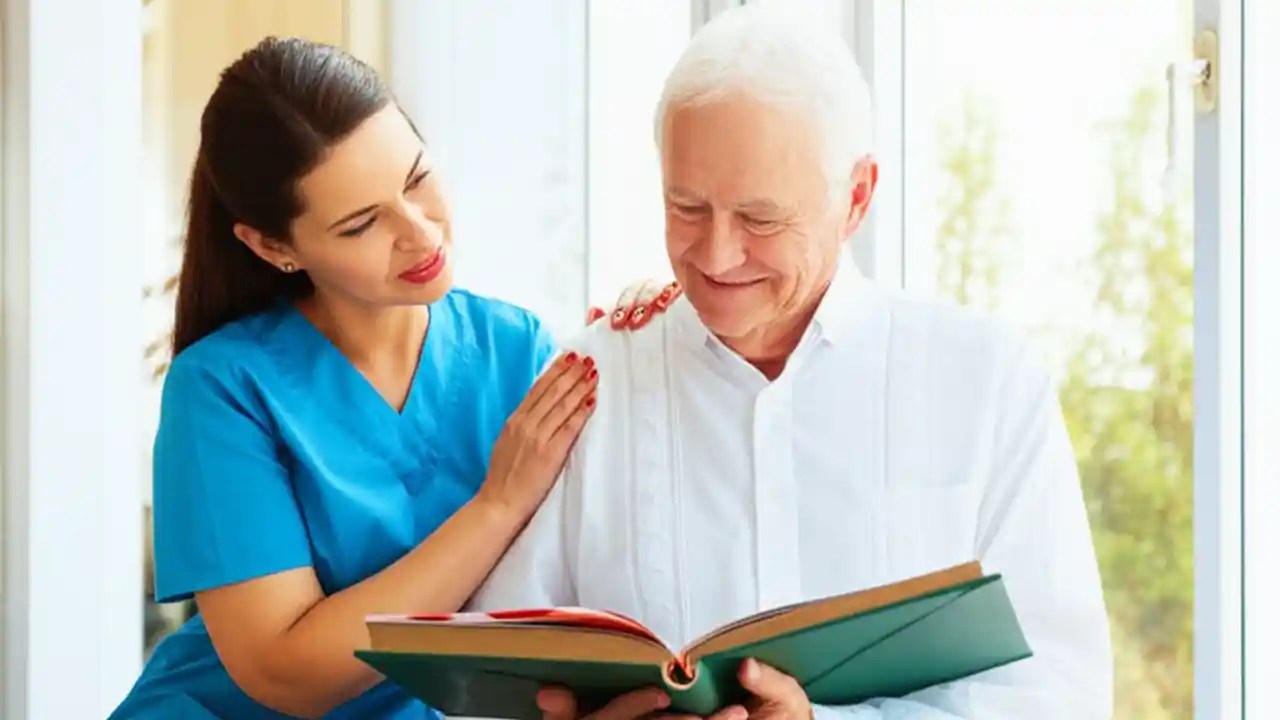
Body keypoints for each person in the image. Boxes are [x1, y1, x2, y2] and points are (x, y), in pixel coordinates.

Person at [469, 5, 1114, 719]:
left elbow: (1061, 693)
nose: (715, 256)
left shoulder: (987, 383)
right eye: (686, 206)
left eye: (760, 218)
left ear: (857, 197)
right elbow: (490, 682)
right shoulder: (591, 382)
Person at [109, 37, 676, 720]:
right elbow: (286, 673)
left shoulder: (515, 347)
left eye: (416, 179)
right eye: (359, 224)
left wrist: (651, 340)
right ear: (274, 247)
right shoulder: (223, 389)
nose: (420, 234)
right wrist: (495, 507)